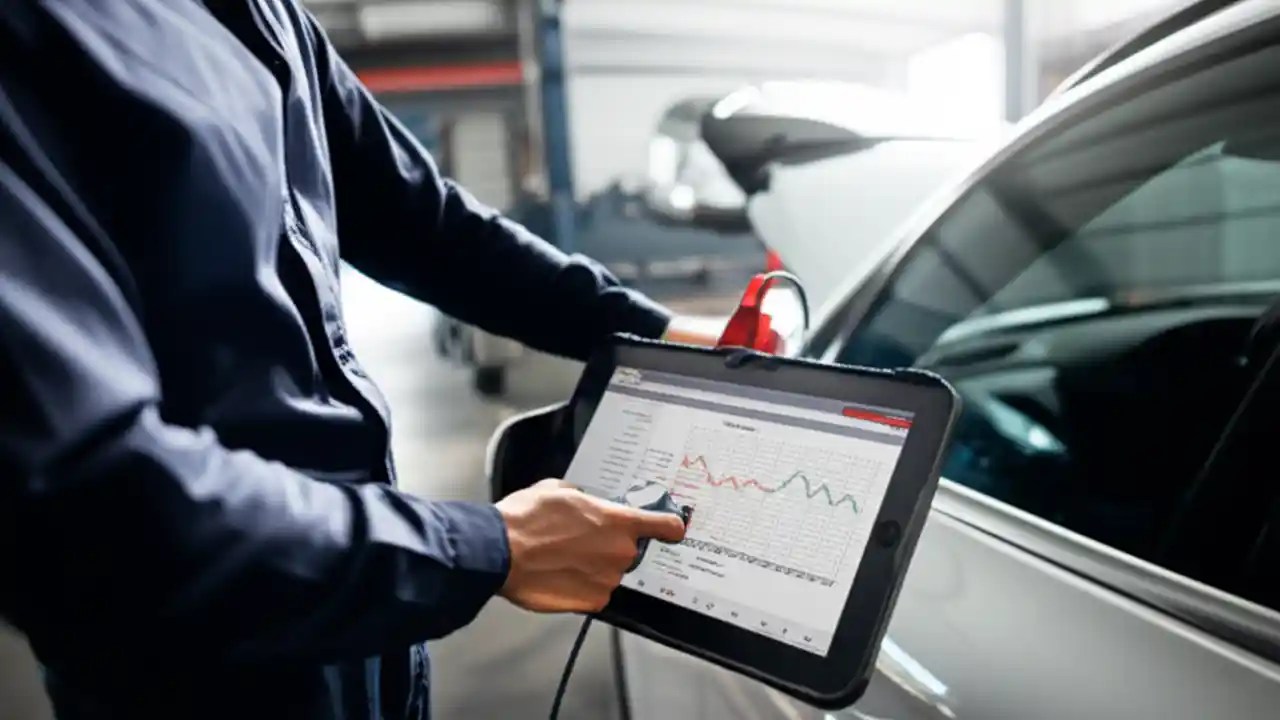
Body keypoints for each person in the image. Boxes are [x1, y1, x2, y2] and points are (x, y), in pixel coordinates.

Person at [0, 1, 715, 717]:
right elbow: (93, 505)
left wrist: (650, 330)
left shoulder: (265, 16)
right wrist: (486, 548)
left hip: (371, 629)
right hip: (202, 668)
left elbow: (421, 220)